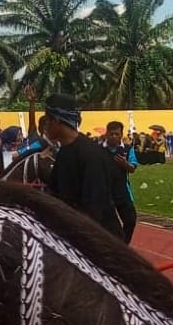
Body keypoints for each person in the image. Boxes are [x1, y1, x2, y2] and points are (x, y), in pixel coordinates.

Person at [43, 95, 124, 239]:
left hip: (99, 240)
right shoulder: (64, 152)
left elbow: (94, 209)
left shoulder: (91, 155)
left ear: (55, 121)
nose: (44, 126)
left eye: (46, 121)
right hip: (74, 234)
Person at [102, 120, 139, 243]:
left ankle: (124, 245)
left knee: (130, 220)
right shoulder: (98, 149)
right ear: (106, 134)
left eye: (116, 134)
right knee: (110, 225)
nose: (114, 137)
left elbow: (133, 168)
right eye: (111, 134)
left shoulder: (128, 150)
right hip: (104, 191)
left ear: (121, 135)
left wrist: (124, 164)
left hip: (122, 190)